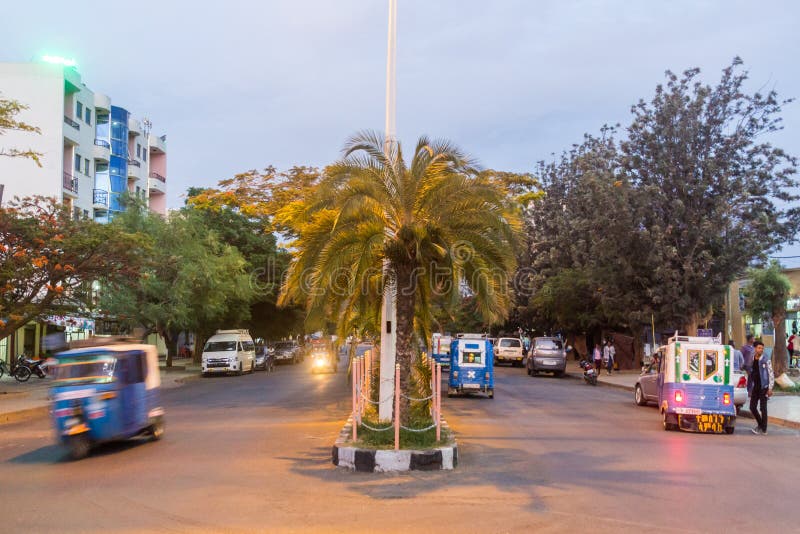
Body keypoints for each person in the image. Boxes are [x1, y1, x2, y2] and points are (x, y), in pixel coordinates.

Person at [748, 341, 774, 435]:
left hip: (764, 387)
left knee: (763, 408)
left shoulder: (766, 359)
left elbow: (771, 373)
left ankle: (764, 429)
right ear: (755, 348)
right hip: (756, 386)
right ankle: (761, 425)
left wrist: (770, 388)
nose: (761, 350)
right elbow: (751, 371)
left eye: (762, 348)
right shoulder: (752, 358)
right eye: (759, 348)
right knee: (752, 407)